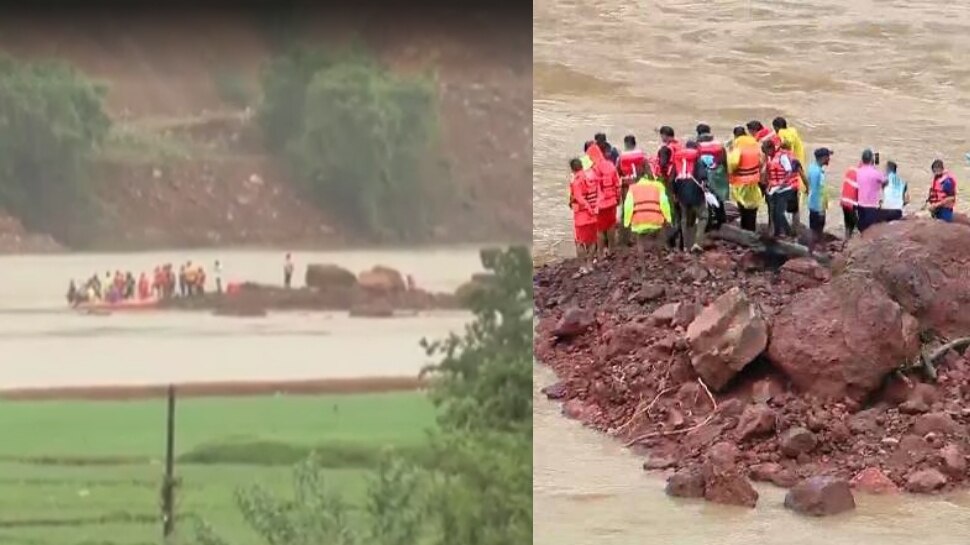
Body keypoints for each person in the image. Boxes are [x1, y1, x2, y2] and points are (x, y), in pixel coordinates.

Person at [623, 171, 673, 279]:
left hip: (639, 221)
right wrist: (668, 218)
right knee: (658, 243)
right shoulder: (657, 187)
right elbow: (664, 203)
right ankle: (662, 266)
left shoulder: (633, 189)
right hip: (655, 220)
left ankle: (644, 271)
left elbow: (628, 206)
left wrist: (627, 222)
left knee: (640, 244)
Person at [671, 140, 708, 252]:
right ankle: (697, 243)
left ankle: (686, 247)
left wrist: (675, 194)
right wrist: (706, 188)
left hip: (681, 195)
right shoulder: (698, 159)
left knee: (685, 220)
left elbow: (673, 179)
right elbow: (703, 177)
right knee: (703, 217)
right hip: (696, 195)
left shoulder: (677, 160)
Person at [727, 125, 764, 232]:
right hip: (754, 180)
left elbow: (733, 162)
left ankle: (745, 230)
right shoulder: (754, 142)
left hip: (741, 182)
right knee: (753, 207)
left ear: (735, 135)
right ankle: (751, 229)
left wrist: (730, 170)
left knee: (742, 207)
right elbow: (761, 160)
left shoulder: (737, 144)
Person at [589, 141, 621, 254]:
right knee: (611, 225)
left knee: (600, 229)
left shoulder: (593, 169)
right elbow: (617, 184)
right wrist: (618, 198)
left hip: (600, 204)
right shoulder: (610, 165)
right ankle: (611, 250)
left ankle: (601, 254)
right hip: (612, 200)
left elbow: (591, 188)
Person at [568, 158, 599, 274]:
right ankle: (590, 264)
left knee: (579, 241)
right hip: (593, 215)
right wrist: (593, 209)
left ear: (572, 169)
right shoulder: (591, 177)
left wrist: (587, 208)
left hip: (582, 215)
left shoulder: (575, 181)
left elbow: (578, 198)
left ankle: (583, 266)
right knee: (592, 241)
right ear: (582, 166)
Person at [694, 124, 728, 229]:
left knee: (706, 199)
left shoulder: (697, 146)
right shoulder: (719, 145)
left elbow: (696, 162)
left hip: (704, 174)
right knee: (719, 197)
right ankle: (721, 220)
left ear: (698, 133)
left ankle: (708, 223)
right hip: (718, 173)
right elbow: (724, 160)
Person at [762, 139, 798, 238]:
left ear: (771, 148)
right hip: (773, 189)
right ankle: (777, 233)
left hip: (784, 189)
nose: (766, 154)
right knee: (773, 213)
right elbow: (769, 173)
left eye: (766, 151)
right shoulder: (770, 158)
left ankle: (788, 232)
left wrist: (782, 183)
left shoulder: (782, 157)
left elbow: (789, 171)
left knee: (779, 212)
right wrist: (768, 185)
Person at [616, 135, 648, 246]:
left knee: (626, 212)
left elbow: (617, 173)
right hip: (639, 186)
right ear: (635, 144)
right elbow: (647, 171)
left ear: (625, 144)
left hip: (626, 187)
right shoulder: (642, 156)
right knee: (638, 210)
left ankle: (624, 238)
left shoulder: (620, 157)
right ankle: (637, 235)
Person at [806, 148, 833, 254]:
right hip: (818, 206)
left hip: (812, 204)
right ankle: (810, 253)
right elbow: (820, 192)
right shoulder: (818, 173)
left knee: (817, 230)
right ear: (823, 158)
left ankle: (823, 250)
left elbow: (810, 188)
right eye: (828, 157)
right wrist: (821, 209)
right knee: (816, 231)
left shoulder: (812, 168)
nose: (829, 159)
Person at [854, 149, 885, 232]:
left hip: (860, 205)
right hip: (871, 206)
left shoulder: (858, 171)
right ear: (872, 159)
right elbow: (885, 181)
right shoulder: (876, 173)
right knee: (870, 230)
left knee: (862, 229)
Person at [840, 165, 860, 241]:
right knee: (859, 227)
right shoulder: (862, 175)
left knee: (848, 225)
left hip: (844, 202)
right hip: (851, 204)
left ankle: (846, 241)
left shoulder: (850, 169)